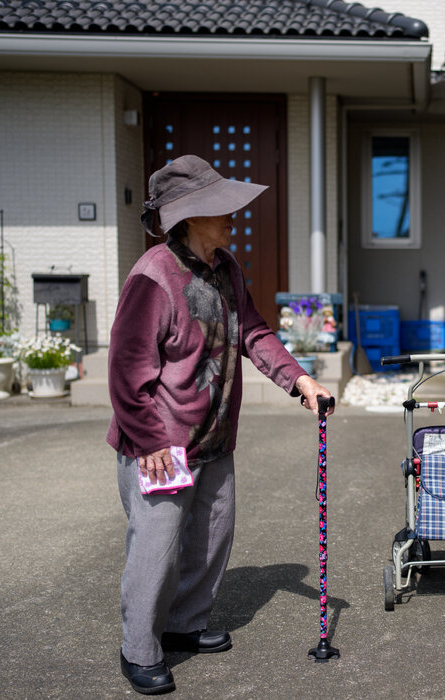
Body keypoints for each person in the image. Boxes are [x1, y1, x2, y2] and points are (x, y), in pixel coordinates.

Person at [107, 155, 334, 695]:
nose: (232, 216)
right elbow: (125, 368)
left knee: (212, 537)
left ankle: (185, 626)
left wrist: (300, 382)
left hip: (213, 436)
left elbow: (253, 332)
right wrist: (148, 441)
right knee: (157, 549)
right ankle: (138, 649)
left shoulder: (226, 267)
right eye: (219, 208)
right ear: (189, 217)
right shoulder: (153, 277)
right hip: (160, 443)